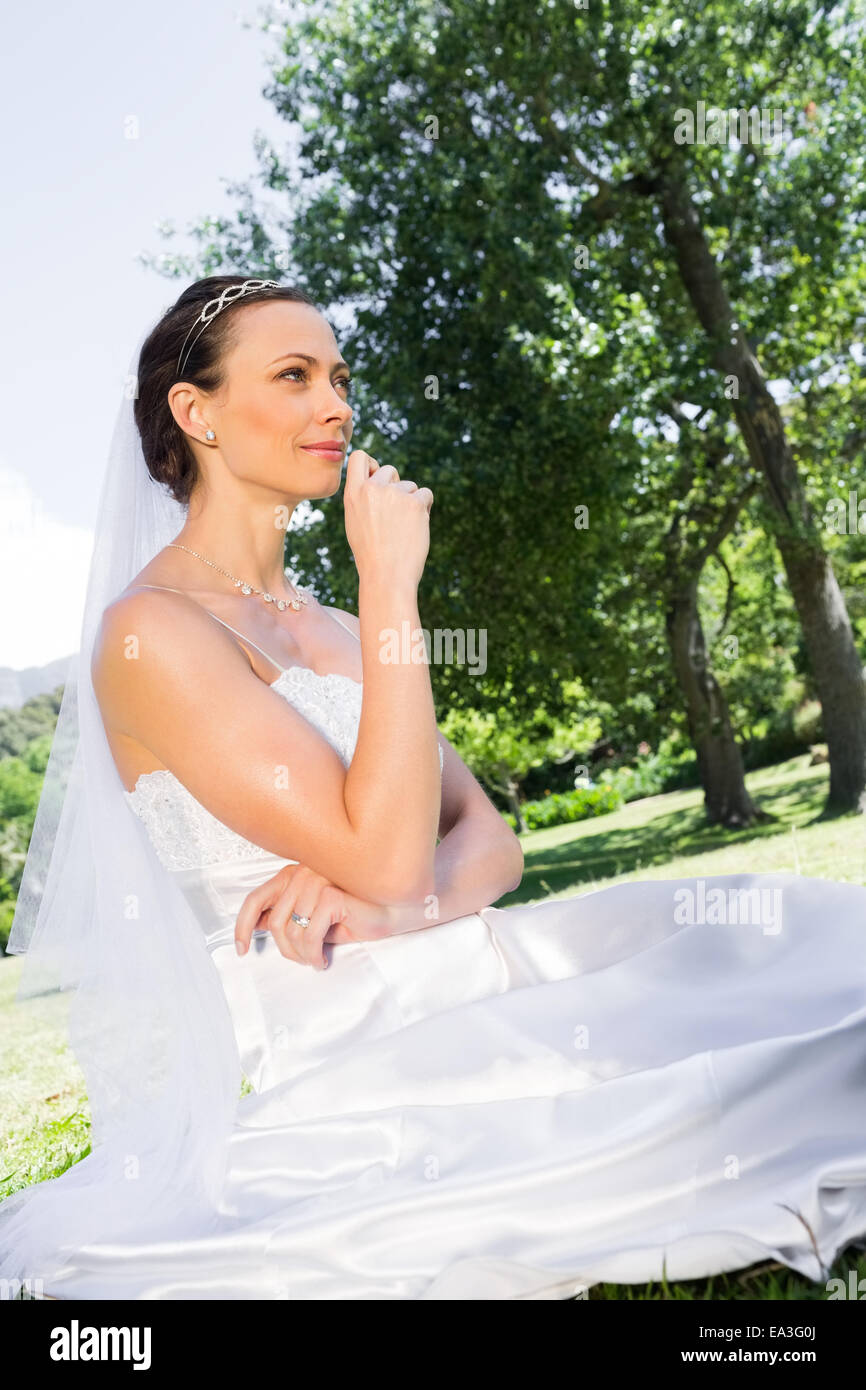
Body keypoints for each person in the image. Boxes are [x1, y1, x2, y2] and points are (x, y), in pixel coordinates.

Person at [2, 276, 864, 1302]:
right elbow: (390, 845)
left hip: (475, 956)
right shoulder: (154, 635)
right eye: (292, 376)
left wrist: (389, 900)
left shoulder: (330, 624)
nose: (336, 404)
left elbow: (490, 845)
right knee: (745, 1086)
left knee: (791, 935)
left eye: (338, 376)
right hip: (340, 1030)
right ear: (197, 414)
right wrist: (392, 589)